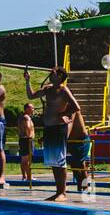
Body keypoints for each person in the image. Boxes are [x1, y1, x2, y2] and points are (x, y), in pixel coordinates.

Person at [24, 67, 79, 202]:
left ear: (60, 76)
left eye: (53, 72)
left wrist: (62, 114)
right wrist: (27, 81)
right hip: (49, 128)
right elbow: (31, 96)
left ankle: (63, 192)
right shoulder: (48, 89)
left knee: (60, 161)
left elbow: (76, 107)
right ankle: (58, 191)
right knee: (54, 162)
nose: (50, 73)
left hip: (59, 128)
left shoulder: (64, 90)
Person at [17, 103, 36, 187]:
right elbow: (28, 127)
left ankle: (24, 176)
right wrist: (30, 136)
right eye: (32, 108)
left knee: (23, 159)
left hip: (22, 139)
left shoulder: (21, 117)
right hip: (27, 140)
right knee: (28, 159)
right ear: (27, 109)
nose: (33, 109)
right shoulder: (27, 117)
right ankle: (29, 176)